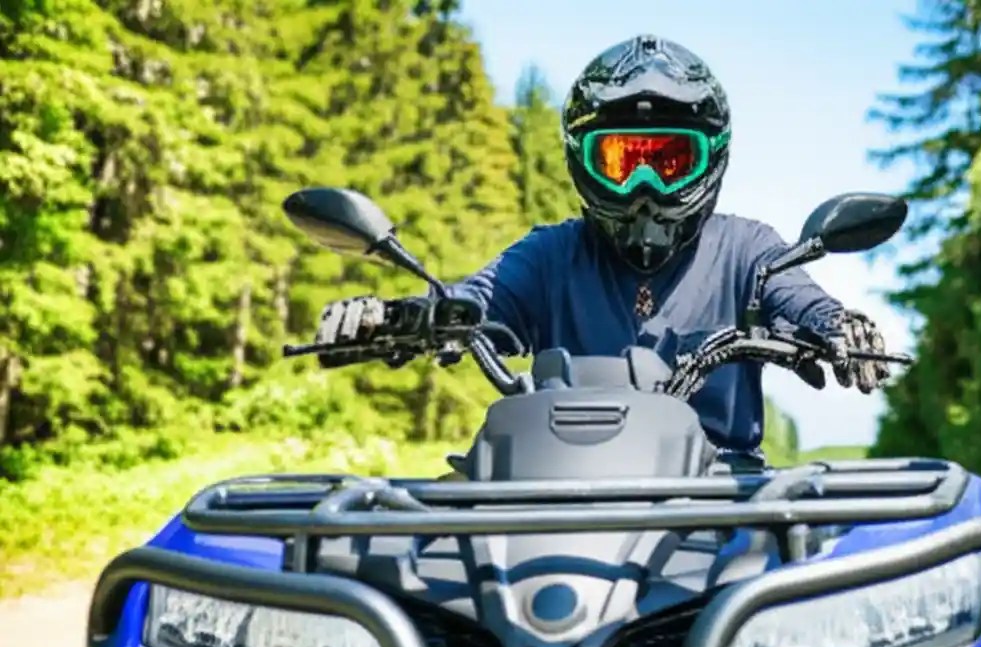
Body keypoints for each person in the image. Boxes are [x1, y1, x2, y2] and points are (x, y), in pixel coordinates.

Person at [311, 34, 890, 470]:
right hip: (555, 484)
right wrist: (398, 316)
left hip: (719, 496)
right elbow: (473, 301)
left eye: (668, 162)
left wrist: (838, 327)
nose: (644, 186)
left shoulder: (746, 249)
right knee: (420, 562)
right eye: (619, 161)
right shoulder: (549, 255)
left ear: (710, 158)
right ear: (580, 160)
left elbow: (797, 296)